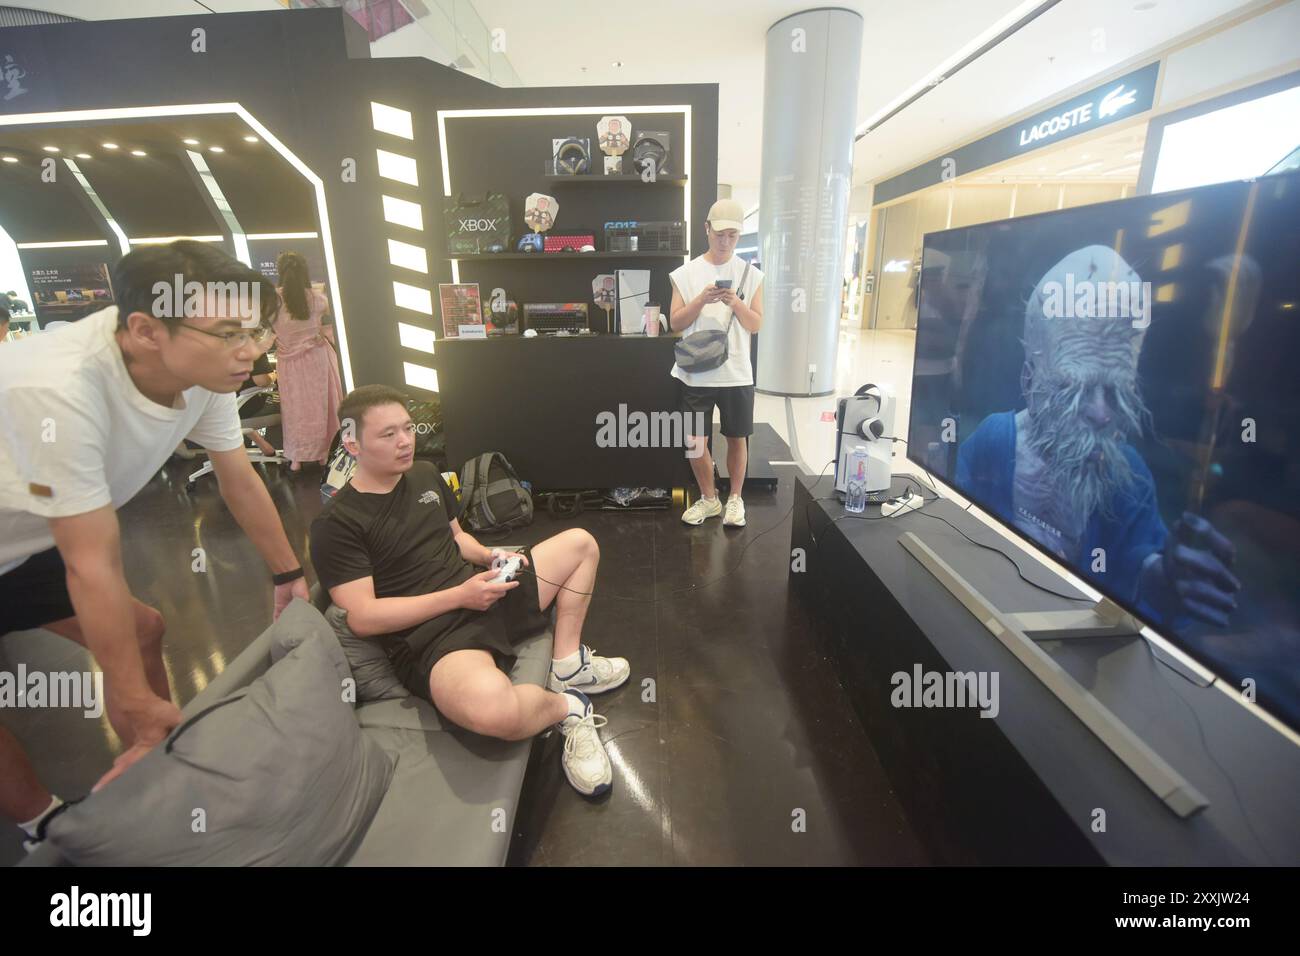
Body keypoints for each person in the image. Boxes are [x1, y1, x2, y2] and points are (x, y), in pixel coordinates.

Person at [0, 241, 311, 849]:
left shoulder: (204, 370)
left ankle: (159, 763)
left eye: (253, 330)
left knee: (144, 631)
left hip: (25, 532)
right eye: (227, 333)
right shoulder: (58, 392)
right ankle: (42, 825)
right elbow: (91, 564)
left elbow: (237, 475)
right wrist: (132, 699)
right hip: (37, 526)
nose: (249, 351)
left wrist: (288, 575)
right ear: (145, 330)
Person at [310, 385, 630, 797]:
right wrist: (459, 596)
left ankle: (567, 663)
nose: (406, 441)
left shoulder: (425, 474)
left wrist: (489, 553)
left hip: (482, 591)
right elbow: (364, 617)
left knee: (581, 543)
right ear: (352, 442)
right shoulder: (337, 523)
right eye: (388, 435)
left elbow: (457, 537)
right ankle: (569, 706)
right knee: (496, 712)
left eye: (408, 428)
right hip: (433, 637)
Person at [955, 245, 1240, 627]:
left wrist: (1159, 580)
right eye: (1074, 391)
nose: (1102, 414)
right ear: (1029, 381)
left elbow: (1141, 565)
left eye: (1115, 392)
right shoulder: (994, 441)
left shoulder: (1129, 477)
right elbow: (960, 540)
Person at [668, 198, 764, 527]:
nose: (725, 242)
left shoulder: (751, 274)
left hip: (736, 372)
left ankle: (735, 500)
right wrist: (701, 299)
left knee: (737, 437)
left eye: (733, 236)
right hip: (695, 373)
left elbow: (755, 324)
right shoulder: (686, 273)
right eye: (720, 234)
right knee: (695, 442)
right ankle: (709, 499)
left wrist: (735, 302)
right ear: (707, 229)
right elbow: (676, 323)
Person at [271, 252, 341, 471]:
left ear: (281, 272)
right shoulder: (317, 299)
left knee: (295, 410)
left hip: (288, 363)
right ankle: (324, 454)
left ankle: (296, 460)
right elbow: (331, 324)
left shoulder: (272, 300)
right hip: (317, 358)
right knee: (323, 407)